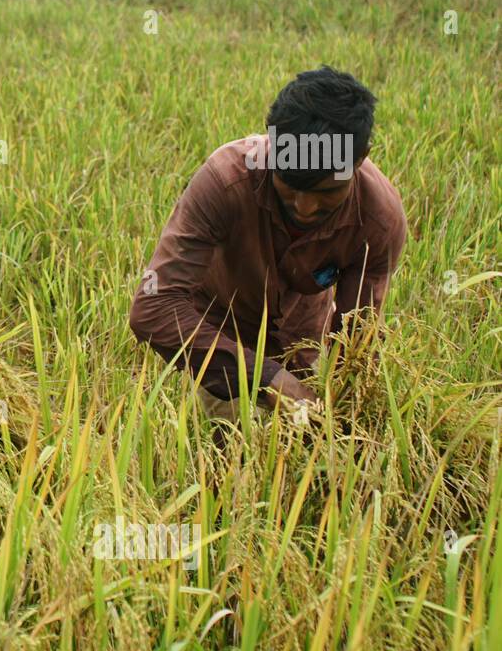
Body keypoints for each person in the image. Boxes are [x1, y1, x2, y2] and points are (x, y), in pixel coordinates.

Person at [128, 65, 408, 421]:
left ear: (361, 158)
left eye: (327, 192)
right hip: (223, 336)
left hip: (303, 337)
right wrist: (266, 378)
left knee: (314, 443)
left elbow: (356, 339)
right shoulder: (224, 182)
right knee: (227, 450)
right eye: (290, 184)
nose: (305, 208)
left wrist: (343, 412)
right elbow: (153, 306)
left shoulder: (378, 218)